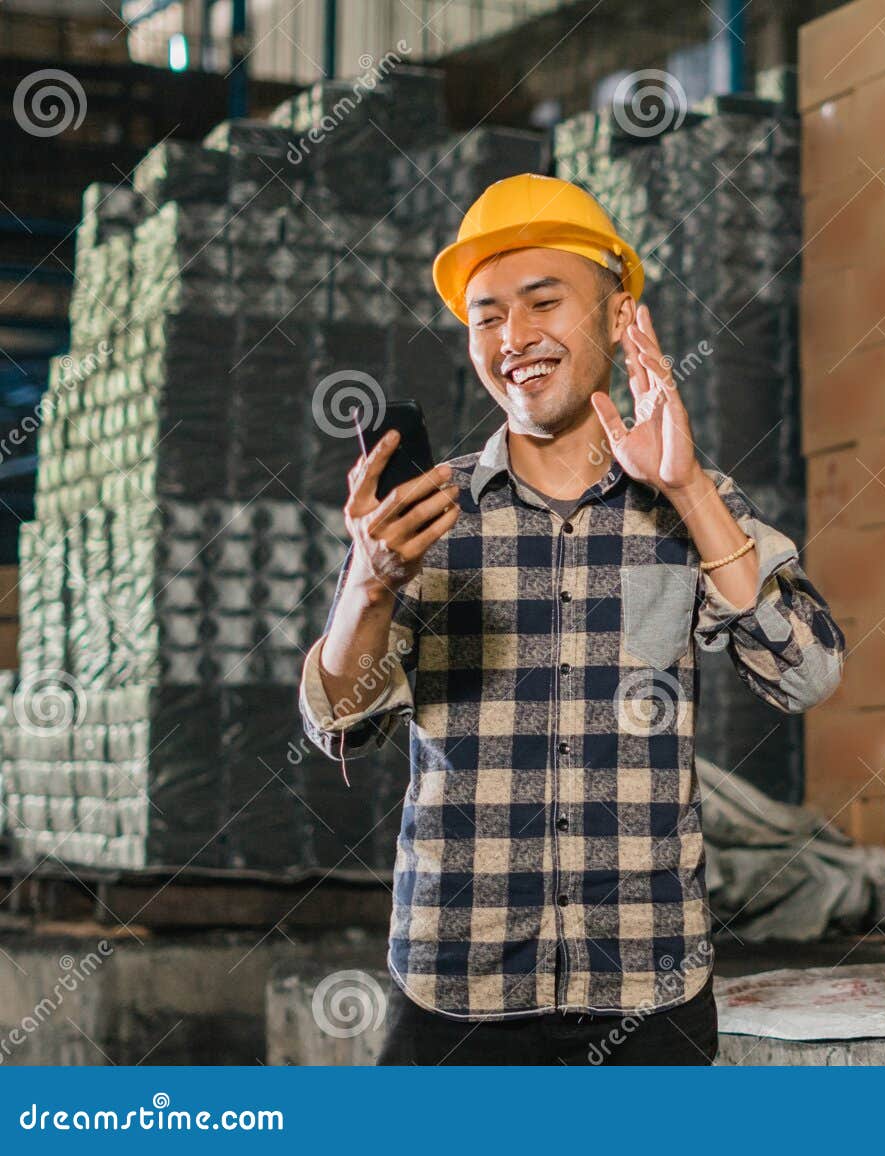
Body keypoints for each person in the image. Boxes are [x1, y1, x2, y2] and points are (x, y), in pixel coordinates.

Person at [298, 174, 846, 1065]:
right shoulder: (427, 523)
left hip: (646, 990)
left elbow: (809, 675)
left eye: (542, 302)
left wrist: (690, 489)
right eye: (486, 316)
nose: (513, 339)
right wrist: (369, 581)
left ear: (621, 315)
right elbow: (341, 728)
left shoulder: (692, 508)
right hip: (457, 988)